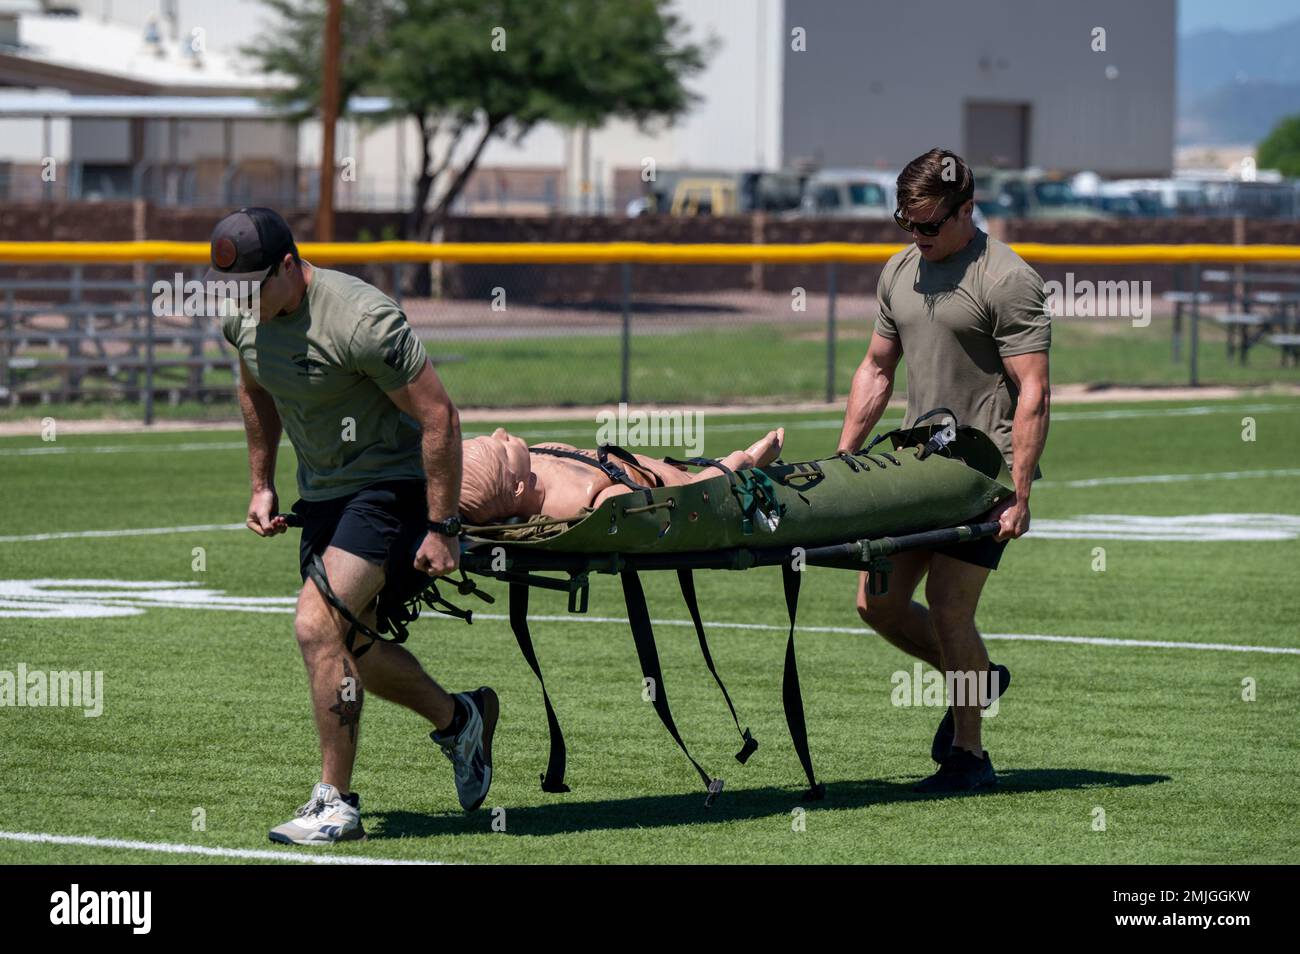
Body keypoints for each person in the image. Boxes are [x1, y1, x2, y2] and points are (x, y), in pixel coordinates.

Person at [213, 207, 497, 845]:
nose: (241, 301)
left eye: (253, 285)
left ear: (290, 265)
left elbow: (440, 417)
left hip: (391, 488)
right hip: (323, 495)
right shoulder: (243, 315)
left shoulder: (362, 319)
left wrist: (443, 525)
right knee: (351, 649)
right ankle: (461, 719)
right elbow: (255, 389)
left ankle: (335, 802)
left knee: (316, 627)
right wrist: (262, 483)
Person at [836, 149, 1051, 794]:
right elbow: (876, 370)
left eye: (930, 226)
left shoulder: (1007, 280)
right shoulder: (900, 271)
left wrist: (1017, 491)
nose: (918, 238)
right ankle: (977, 680)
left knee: (948, 608)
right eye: (907, 224)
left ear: (967, 210)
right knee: (876, 603)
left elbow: (1034, 391)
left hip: (983, 475)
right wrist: (848, 457)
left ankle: (969, 755)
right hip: (918, 466)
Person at [456, 427, 786, 523]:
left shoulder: (533, 462)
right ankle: (743, 463)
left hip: (644, 468)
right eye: (501, 447)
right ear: (516, 488)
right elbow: (674, 508)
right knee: (708, 479)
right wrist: (734, 463)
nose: (501, 432)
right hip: (679, 490)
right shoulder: (578, 504)